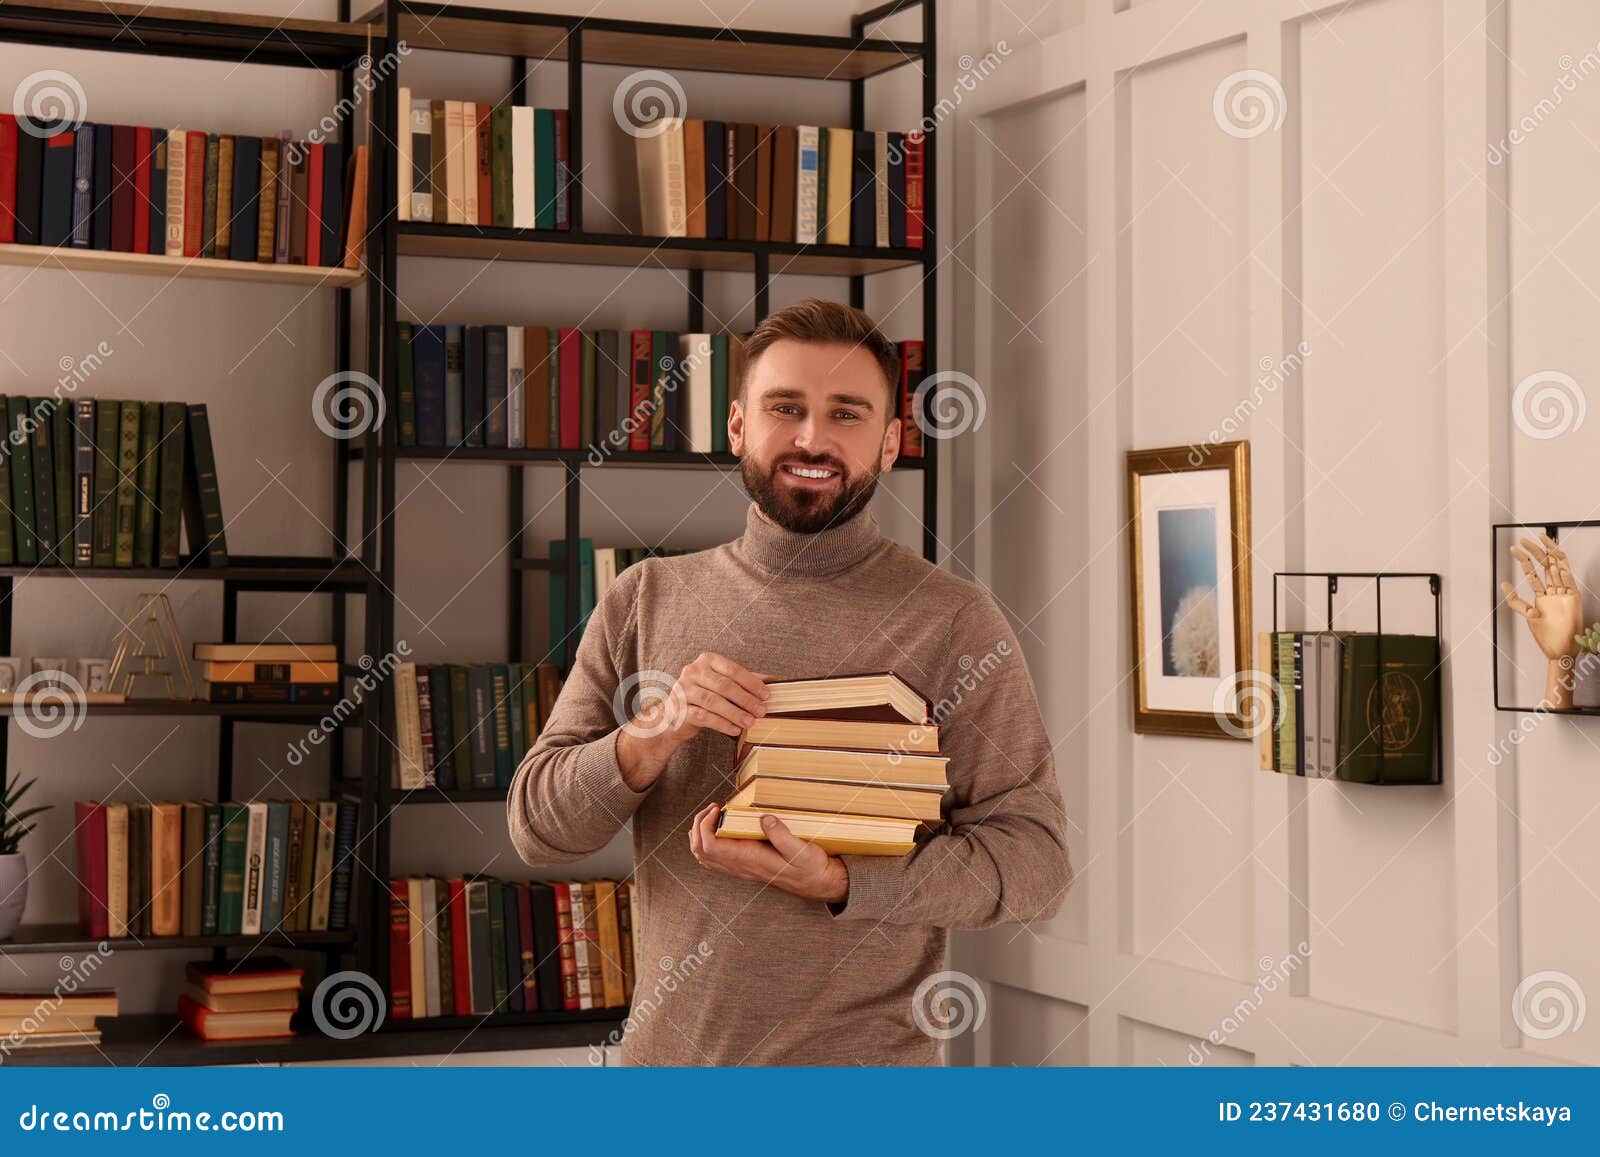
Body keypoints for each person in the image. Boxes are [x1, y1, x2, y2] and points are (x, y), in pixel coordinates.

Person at [508, 298, 1071, 1065]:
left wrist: (843, 880)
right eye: (786, 408)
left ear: (891, 442)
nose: (813, 438)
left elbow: (1037, 864)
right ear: (737, 426)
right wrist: (651, 734)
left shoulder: (954, 621)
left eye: (847, 413)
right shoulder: (645, 598)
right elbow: (538, 829)